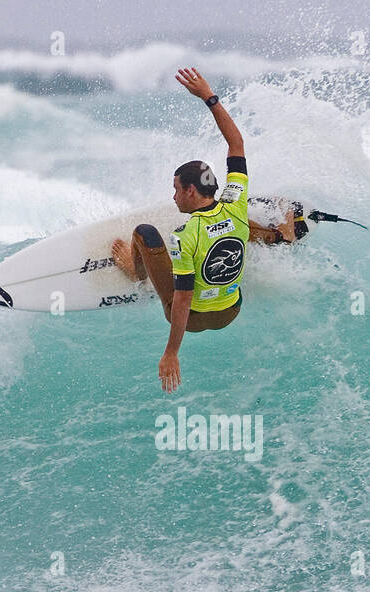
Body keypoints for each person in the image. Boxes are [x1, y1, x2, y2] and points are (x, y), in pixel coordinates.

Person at [110, 67, 295, 393]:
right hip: (231, 311)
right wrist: (209, 98)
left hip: (194, 320)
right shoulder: (234, 202)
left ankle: (134, 270)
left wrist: (171, 353)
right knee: (243, 225)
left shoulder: (185, 236)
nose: (173, 195)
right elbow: (236, 142)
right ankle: (280, 235)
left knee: (144, 233)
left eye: (176, 189)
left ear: (191, 192)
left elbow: (182, 300)